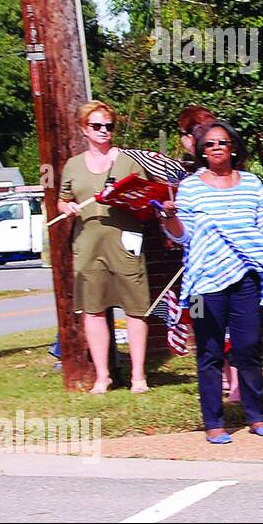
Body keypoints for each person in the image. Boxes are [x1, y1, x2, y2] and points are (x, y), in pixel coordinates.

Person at [159, 120, 263, 444]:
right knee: (208, 351)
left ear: (233, 147)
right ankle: (214, 422)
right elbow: (184, 236)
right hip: (202, 282)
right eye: (209, 144)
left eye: (222, 142)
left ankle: (256, 416)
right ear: (202, 152)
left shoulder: (250, 183)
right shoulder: (191, 187)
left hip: (245, 278)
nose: (216, 147)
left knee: (247, 347)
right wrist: (169, 217)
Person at [58, 100, 152, 394]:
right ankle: (103, 376)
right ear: (84, 129)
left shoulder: (129, 161)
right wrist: (68, 206)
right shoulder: (73, 165)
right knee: (93, 310)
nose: (103, 131)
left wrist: (129, 199)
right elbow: (62, 199)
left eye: (108, 126)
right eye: (96, 126)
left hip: (125, 242)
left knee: (135, 309)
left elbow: (147, 200)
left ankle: (138, 376)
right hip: (87, 244)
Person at [171, 105, 241, 401]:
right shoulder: (185, 172)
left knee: (228, 327)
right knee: (210, 324)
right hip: (199, 259)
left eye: (184, 134)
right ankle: (226, 380)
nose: (183, 141)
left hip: (225, 261)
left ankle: (236, 384)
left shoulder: (221, 171)